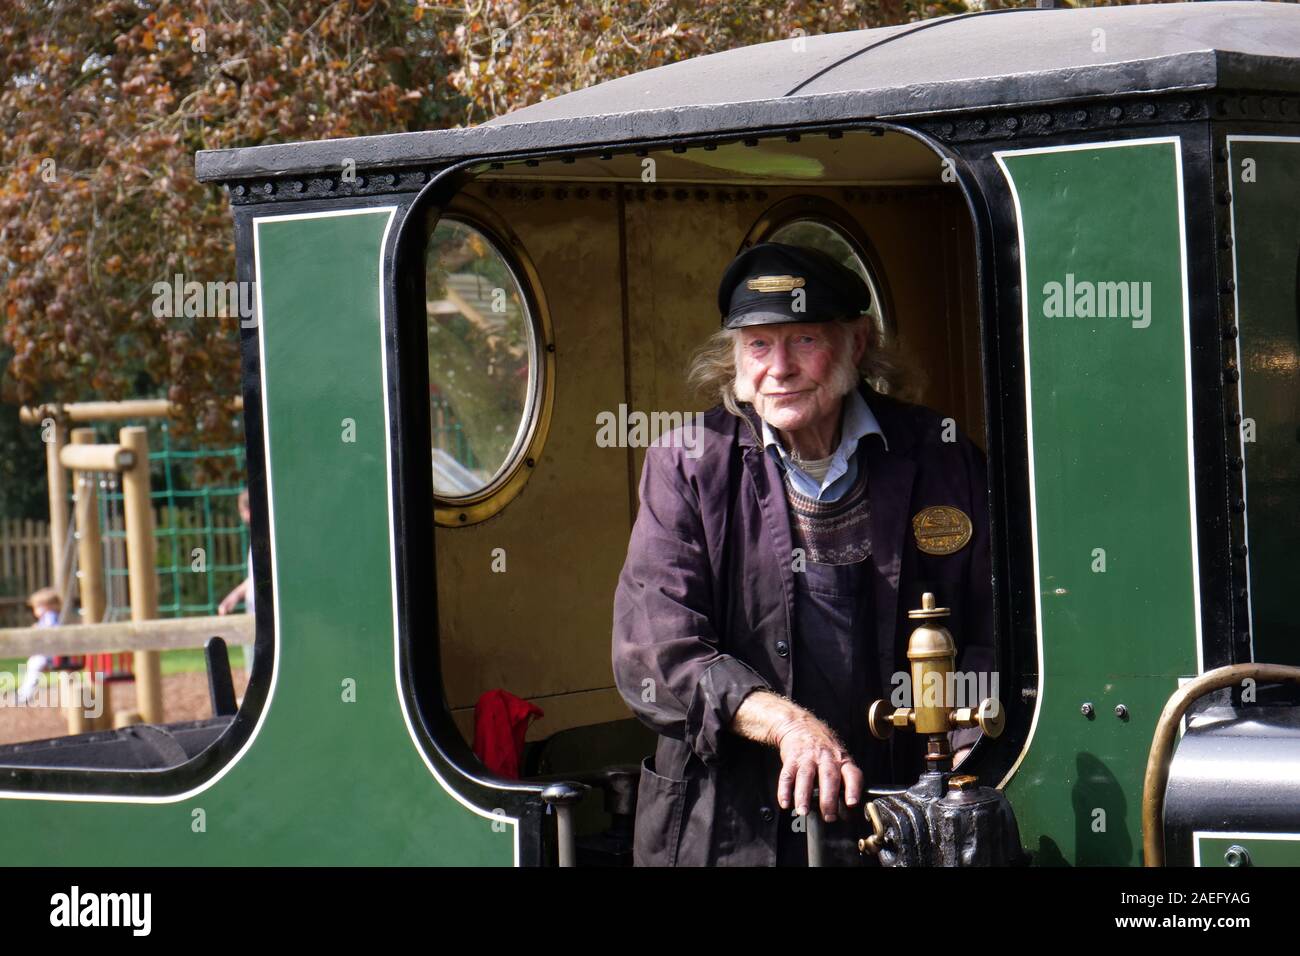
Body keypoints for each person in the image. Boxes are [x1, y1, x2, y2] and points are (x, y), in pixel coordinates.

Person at [611, 242, 995, 866]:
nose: (779, 368)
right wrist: (788, 726)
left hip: (899, 815)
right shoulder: (685, 461)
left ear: (857, 342)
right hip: (727, 829)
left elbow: (998, 621)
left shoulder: (943, 455)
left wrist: (968, 739)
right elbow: (656, 654)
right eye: (758, 345)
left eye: (804, 341)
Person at [217, 489, 255, 675]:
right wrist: (235, 595)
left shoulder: (267, 540)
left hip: (262, 618)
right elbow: (256, 578)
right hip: (253, 612)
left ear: (247, 511)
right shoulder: (258, 539)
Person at [17, 586, 62, 704]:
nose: (35, 610)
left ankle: (25, 694)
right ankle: (24, 692)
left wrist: (38, 629)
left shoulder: (50, 616)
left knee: (34, 665)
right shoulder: (49, 617)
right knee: (32, 665)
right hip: (50, 654)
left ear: (47, 606)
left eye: (37, 607)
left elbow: (50, 629)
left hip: (51, 656)